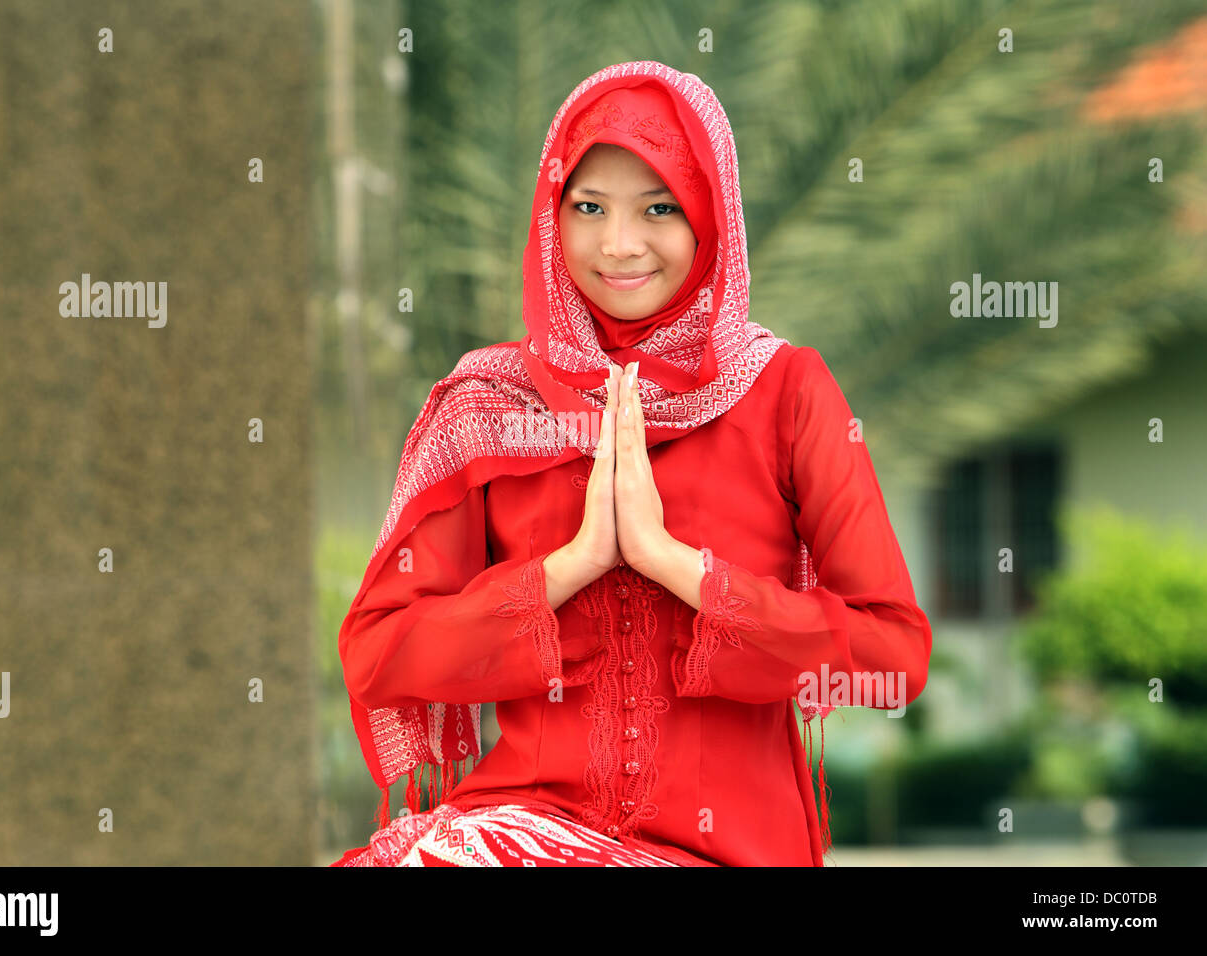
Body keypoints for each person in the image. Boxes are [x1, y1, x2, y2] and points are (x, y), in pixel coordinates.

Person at [330, 60, 932, 867]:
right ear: (552, 218)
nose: (619, 245)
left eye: (660, 208)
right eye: (588, 208)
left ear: (711, 218)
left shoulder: (784, 390)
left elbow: (891, 655)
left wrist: (673, 564)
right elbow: (379, 655)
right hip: (520, 831)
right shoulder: (489, 405)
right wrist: (570, 566)